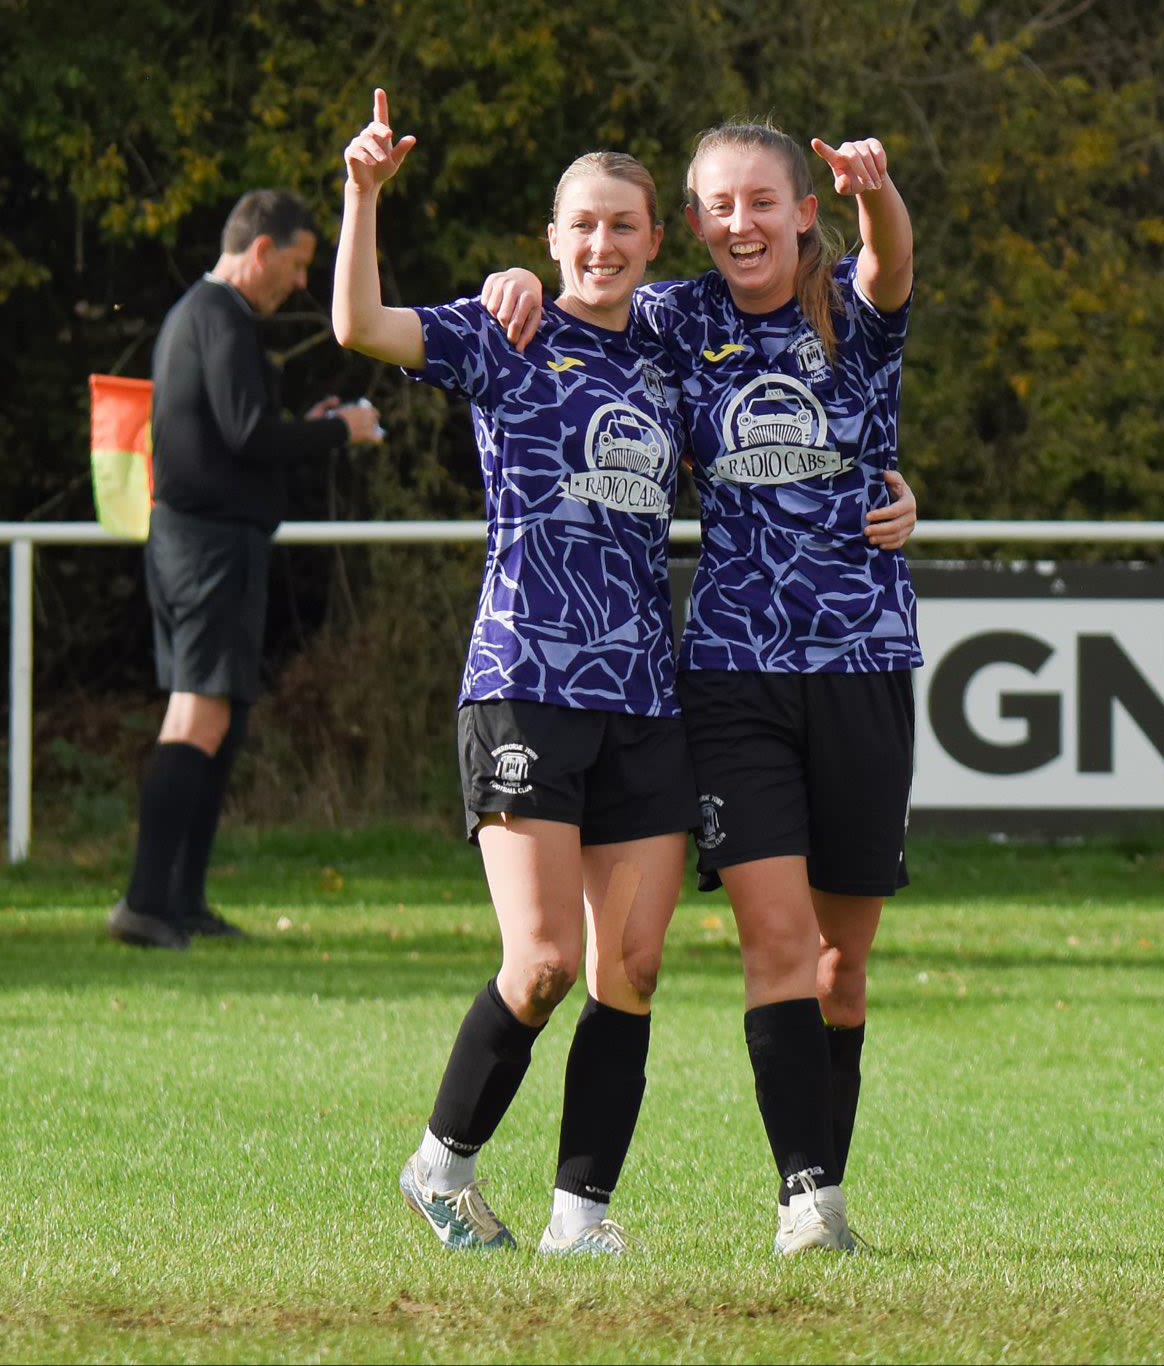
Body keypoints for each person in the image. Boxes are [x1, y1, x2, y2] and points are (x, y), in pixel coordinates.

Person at [483, 119, 918, 1254]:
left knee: (842, 963)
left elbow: (892, 264)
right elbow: (590, 296)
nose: (741, 223)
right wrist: (518, 276)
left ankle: (822, 1178)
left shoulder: (848, 313)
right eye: (719, 206)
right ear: (694, 221)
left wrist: (877, 194)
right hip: (725, 672)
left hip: (863, 659)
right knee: (775, 942)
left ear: (801, 211)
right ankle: (804, 1199)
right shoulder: (677, 319)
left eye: (763, 202)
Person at [332, 89, 698, 1256]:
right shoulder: (508, 330)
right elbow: (358, 327)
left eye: (624, 226)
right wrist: (363, 192)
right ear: (549, 238)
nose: (601, 245)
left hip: (644, 696)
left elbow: (790, 411)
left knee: (628, 967)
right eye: (581, 225)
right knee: (541, 964)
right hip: (524, 678)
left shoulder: (677, 345)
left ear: (655, 240)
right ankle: (441, 1169)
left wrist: (888, 497)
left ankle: (579, 1220)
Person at [106, 188, 383, 951]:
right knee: (199, 718)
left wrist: (312, 425)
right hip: (209, 548)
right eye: (296, 265)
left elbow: (237, 431)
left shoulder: (201, 317)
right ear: (261, 250)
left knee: (214, 721)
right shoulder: (220, 316)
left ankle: (180, 902)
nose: (300, 283)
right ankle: (144, 903)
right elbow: (247, 434)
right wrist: (340, 433)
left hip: (198, 543)